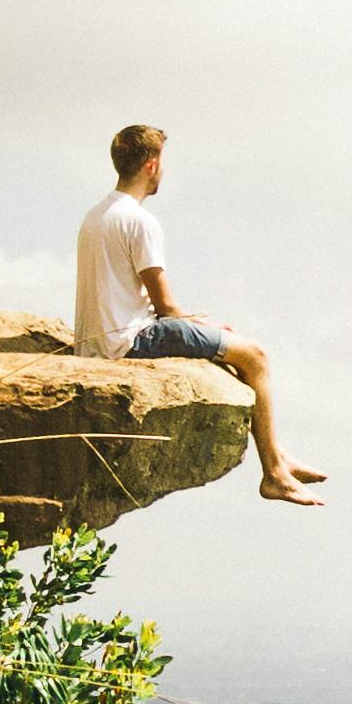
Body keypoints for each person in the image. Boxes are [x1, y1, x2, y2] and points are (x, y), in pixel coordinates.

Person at [73, 122, 327, 507]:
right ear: (152, 165)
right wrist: (198, 324)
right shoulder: (140, 221)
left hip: (100, 341)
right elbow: (166, 308)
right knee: (254, 356)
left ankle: (279, 455)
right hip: (129, 341)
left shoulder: (95, 215)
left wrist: (192, 325)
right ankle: (274, 475)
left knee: (222, 343)